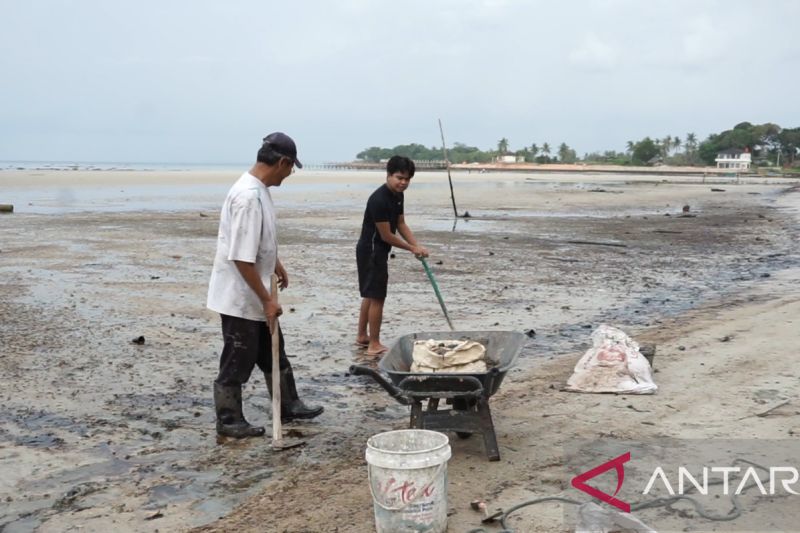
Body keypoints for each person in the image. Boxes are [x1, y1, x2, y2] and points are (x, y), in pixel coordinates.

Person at [207, 132, 323, 439]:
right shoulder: (248, 197)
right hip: (240, 297)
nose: (290, 173)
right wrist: (267, 300)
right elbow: (241, 258)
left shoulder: (259, 191)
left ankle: (288, 403)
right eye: (291, 167)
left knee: (274, 351)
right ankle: (229, 418)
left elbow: (260, 242)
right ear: (282, 162)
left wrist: (276, 263)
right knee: (238, 357)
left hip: (255, 292)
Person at [356, 155, 429, 356]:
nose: (403, 183)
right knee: (377, 296)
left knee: (370, 294)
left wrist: (416, 245)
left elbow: (400, 224)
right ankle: (374, 344)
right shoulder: (379, 199)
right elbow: (386, 235)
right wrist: (411, 249)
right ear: (388, 175)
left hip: (377, 250)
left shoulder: (398, 196)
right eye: (399, 178)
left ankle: (362, 336)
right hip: (371, 250)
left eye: (407, 179)